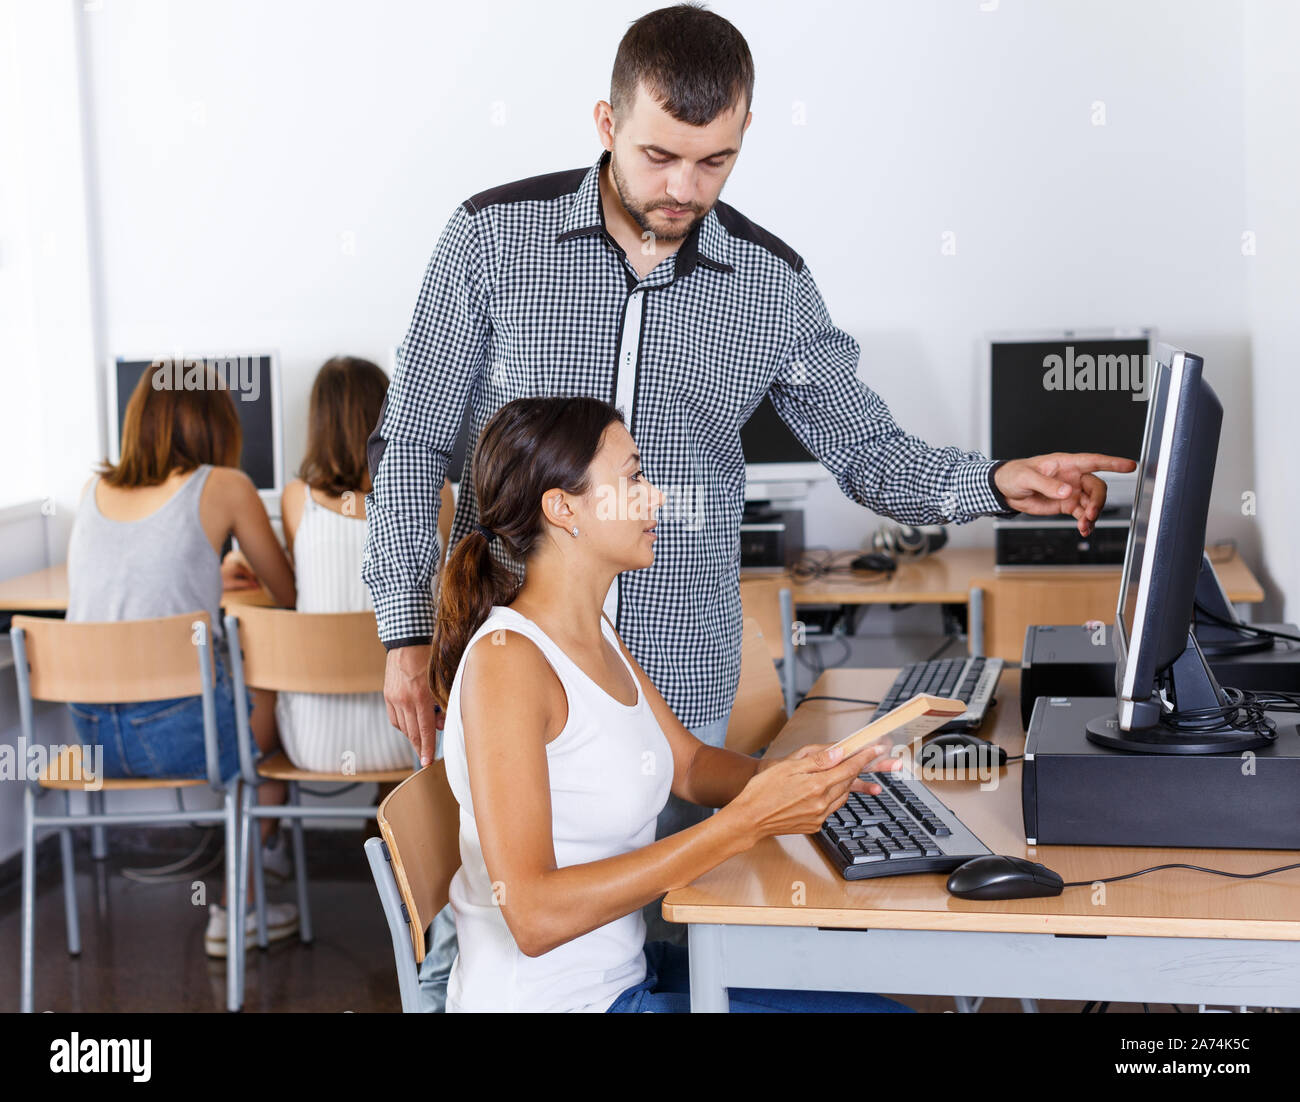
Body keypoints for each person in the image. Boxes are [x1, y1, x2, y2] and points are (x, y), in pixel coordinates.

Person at [363, 4, 1136, 1008]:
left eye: (714, 162)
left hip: (668, 674)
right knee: (529, 907)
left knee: (685, 937)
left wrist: (993, 481)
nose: (683, 189)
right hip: (508, 652)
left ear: (744, 137)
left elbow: (866, 451)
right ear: (605, 121)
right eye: (659, 156)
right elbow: (414, 438)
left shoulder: (770, 288)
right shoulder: (490, 240)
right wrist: (399, 629)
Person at [438, 395, 911, 1012]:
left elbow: (687, 765)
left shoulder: (594, 629)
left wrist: (799, 777)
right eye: (632, 477)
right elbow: (532, 915)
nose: (655, 497)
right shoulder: (508, 661)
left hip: (622, 972)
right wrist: (743, 824)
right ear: (563, 507)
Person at [66, 364, 300, 956]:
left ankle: (246, 882)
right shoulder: (223, 485)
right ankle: (238, 904)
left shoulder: (90, 492)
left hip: (90, 738)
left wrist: (207, 571)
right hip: (173, 737)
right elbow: (288, 592)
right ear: (216, 423)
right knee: (272, 705)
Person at [268, 356, 419, 773]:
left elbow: (294, 587)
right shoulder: (435, 495)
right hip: (414, 737)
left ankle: (270, 831)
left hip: (312, 743)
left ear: (318, 425)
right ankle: (395, 827)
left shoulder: (297, 499)